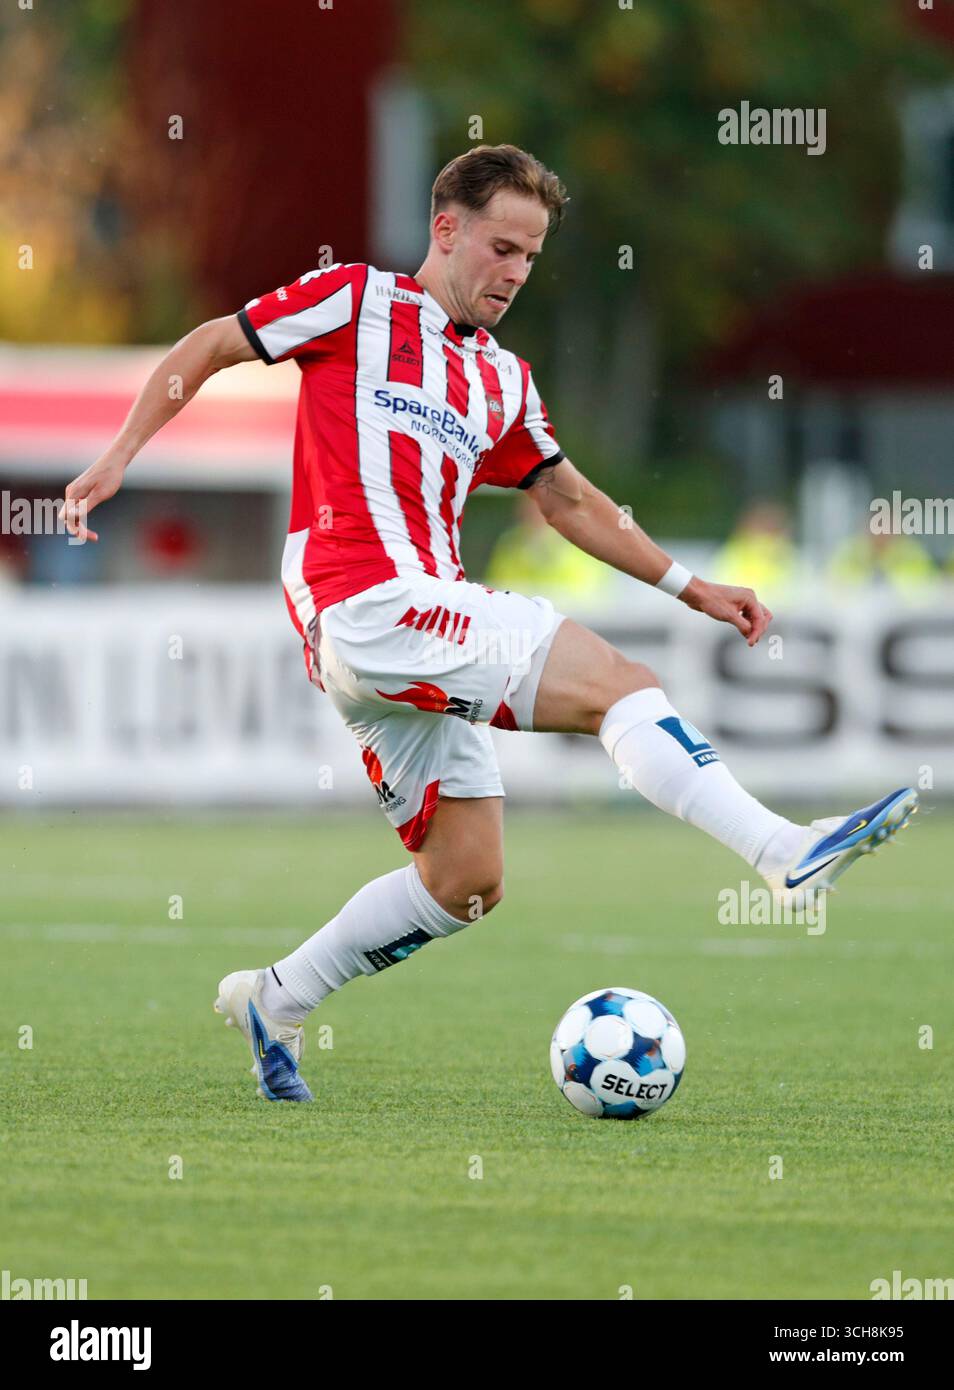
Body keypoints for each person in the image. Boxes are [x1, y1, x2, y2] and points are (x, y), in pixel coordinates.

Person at [60, 144, 918, 1102]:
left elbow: (570, 500)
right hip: (364, 599)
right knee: (622, 689)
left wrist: (693, 587)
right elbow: (211, 344)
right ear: (446, 229)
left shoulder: (502, 379)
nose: (514, 271)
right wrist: (118, 455)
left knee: (466, 880)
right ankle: (782, 853)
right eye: (502, 247)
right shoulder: (354, 300)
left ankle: (276, 997)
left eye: (532, 257)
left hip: (408, 627)